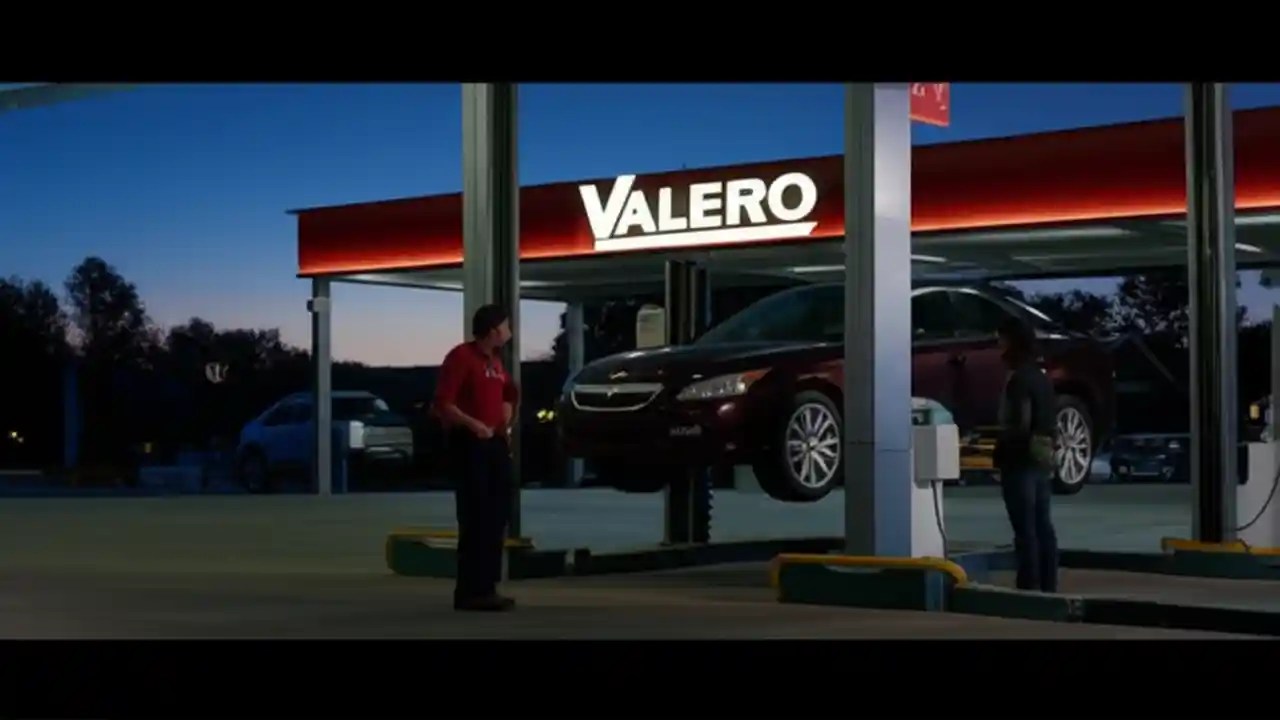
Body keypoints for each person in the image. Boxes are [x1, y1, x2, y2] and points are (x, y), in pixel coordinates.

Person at [433, 304, 519, 611]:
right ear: (494, 330)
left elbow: (508, 391)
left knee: (498, 513)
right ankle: (470, 590)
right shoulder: (461, 357)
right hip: (470, 444)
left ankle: (488, 586)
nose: (510, 331)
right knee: (476, 515)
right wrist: (474, 425)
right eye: (507, 326)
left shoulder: (495, 362)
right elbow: (444, 402)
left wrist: (506, 413)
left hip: (494, 442)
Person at [992, 315, 1060, 593]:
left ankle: (1028, 584)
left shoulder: (1019, 380)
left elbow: (1020, 422)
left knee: (1025, 528)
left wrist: (1000, 451)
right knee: (1043, 524)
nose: (998, 346)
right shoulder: (1042, 378)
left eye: (1001, 340)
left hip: (1020, 459)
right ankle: (1048, 583)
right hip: (1043, 455)